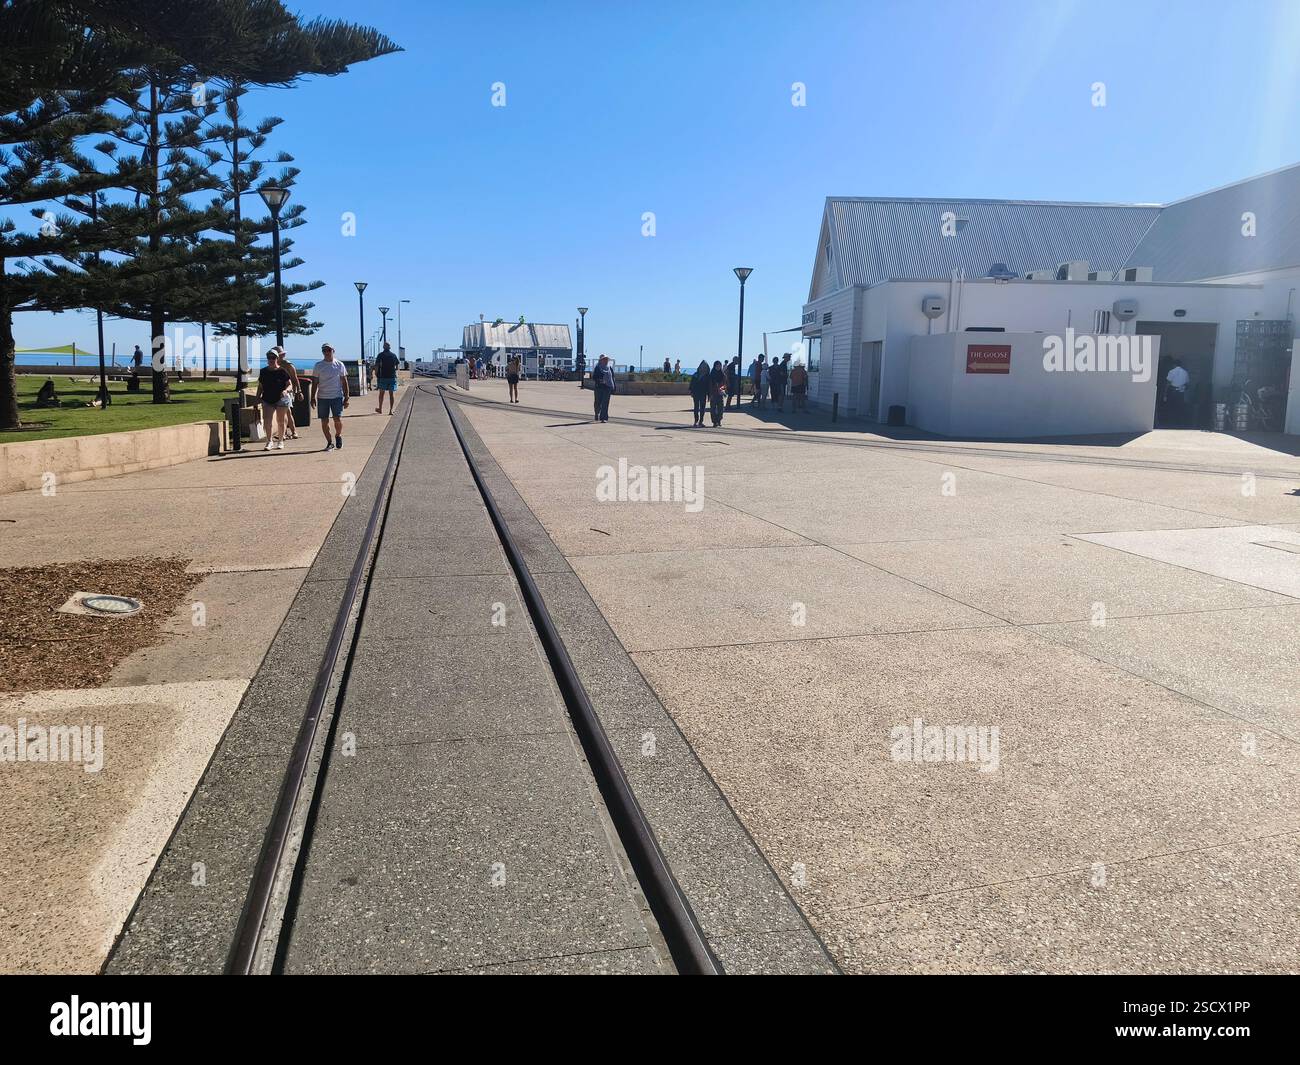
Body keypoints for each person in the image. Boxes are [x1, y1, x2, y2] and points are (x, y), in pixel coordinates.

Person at [312, 342, 350, 451]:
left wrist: (346, 397)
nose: (327, 352)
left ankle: (338, 435)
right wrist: (312, 397)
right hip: (322, 397)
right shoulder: (318, 365)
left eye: (329, 350)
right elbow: (315, 382)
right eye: (324, 350)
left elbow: (344, 381)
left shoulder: (339, 364)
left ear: (333, 351)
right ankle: (329, 442)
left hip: (336, 396)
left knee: (337, 419)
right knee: (324, 421)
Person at [255, 349, 292, 450]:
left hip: (281, 398)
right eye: (269, 358)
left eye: (273, 358)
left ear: (277, 358)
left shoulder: (282, 371)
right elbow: (260, 386)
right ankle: (269, 441)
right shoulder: (263, 372)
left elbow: (289, 385)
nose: (271, 360)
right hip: (267, 398)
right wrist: (257, 398)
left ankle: (280, 441)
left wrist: (286, 391)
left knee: (280, 421)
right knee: (267, 420)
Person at [275, 349, 303, 439]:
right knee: (283, 413)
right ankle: (286, 433)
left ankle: (292, 432)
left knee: (287, 412)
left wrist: (299, 391)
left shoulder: (288, 365)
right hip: (277, 391)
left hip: (288, 391)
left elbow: (295, 379)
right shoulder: (274, 365)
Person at [374, 342, 400, 415]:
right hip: (392, 377)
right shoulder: (393, 355)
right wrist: (395, 374)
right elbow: (397, 366)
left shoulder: (380, 355)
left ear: (383, 347)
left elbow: (376, 365)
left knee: (381, 393)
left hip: (383, 377)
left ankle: (380, 409)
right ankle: (391, 410)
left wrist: (376, 374)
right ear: (390, 347)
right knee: (391, 394)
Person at [592, 354, 616, 422]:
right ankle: (597, 413)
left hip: (607, 387)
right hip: (599, 387)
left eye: (606, 359)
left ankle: (603, 418)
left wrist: (614, 386)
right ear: (601, 360)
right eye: (604, 359)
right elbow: (594, 377)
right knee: (597, 403)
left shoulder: (609, 368)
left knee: (605, 403)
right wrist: (600, 380)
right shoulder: (597, 368)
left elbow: (612, 378)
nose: (606, 361)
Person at [1165, 359, 1189, 426]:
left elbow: (1168, 383)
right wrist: (1182, 387)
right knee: (1179, 409)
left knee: (1171, 408)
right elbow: (1187, 385)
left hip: (1172, 391)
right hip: (1181, 393)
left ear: (1174, 364)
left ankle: (1170, 423)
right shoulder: (1185, 372)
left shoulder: (1171, 371)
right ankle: (1179, 424)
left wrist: (1165, 394)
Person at [689, 360, 710, 426]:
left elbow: (709, 386)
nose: (703, 367)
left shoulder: (708, 376)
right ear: (700, 366)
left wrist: (709, 395)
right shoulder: (695, 375)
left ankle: (701, 421)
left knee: (702, 408)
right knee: (696, 407)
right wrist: (691, 391)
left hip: (703, 393)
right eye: (702, 366)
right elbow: (692, 384)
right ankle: (696, 420)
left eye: (705, 366)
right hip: (696, 393)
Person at [709, 360, 727, 427]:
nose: (718, 367)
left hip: (720, 394)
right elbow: (709, 385)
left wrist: (722, 389)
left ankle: (719, 420)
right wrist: (710, 394)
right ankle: (714, 422)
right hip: (713, 393)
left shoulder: (723, 375)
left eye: (720, 366)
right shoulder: (711, 375)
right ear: (715, 366)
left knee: (721, 408)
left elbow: (725, 384)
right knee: (713, 409)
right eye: (717, 366)